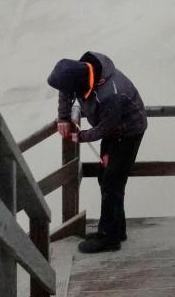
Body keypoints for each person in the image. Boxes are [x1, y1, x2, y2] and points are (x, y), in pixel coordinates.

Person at [47, 51, 147, 253]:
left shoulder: (109, 94)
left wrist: (81, 136)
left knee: (112, 181)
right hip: (114, 128)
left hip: (128, 132)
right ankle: (116, 230)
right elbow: (65, 91)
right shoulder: (80, 73)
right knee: (106, 178)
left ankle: (109, 239)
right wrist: (64, 118)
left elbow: (106, 127)